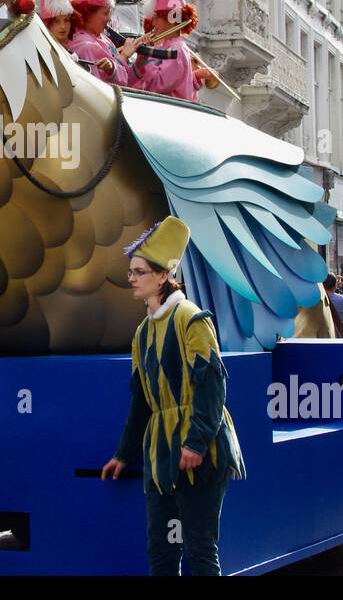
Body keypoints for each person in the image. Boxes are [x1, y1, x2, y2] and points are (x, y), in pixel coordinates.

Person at [101, 217, 242, 576]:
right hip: (161, 453)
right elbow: (141, 402)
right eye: (131, 271)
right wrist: (124, 453)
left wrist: (195, 443)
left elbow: (211, 387)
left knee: (199, 549)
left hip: (200, 451)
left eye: (139, 271)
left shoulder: (191, 319)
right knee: (161, 552)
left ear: (163, 276)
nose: (131, 278)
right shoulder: (142, 333)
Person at [130, 0, 210, 102]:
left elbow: (158, 85)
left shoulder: (177, 49)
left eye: (157, 18)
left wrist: (145, 58)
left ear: (170, 18)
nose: (153, 23)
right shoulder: (171, 46)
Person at [61, 0, 137, 84]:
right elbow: (100, 88)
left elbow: (129, 79)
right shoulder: (85, 45)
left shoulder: (103, 39)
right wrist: (124, 56)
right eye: (105, 13)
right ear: (88, 13)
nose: (109, 19)